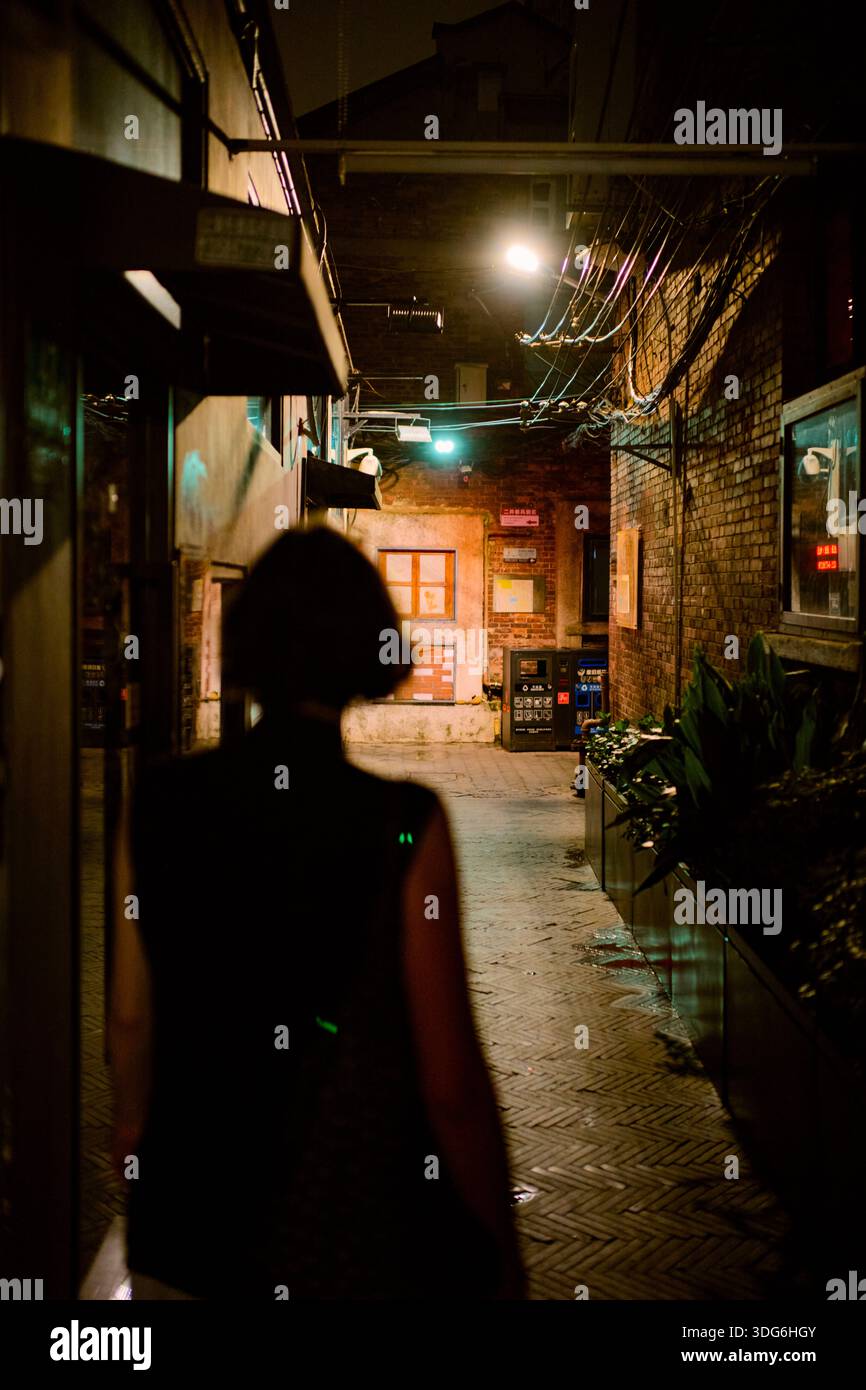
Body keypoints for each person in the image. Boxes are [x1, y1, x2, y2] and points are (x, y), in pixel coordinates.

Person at [109, 525, 525, 1300]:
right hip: (341, 1223)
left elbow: (131, 1022)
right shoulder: (407, 820)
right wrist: (500, 1244)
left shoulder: (159, 801)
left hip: (184, 1214)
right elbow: (451, 1082)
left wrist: (133, 1131)